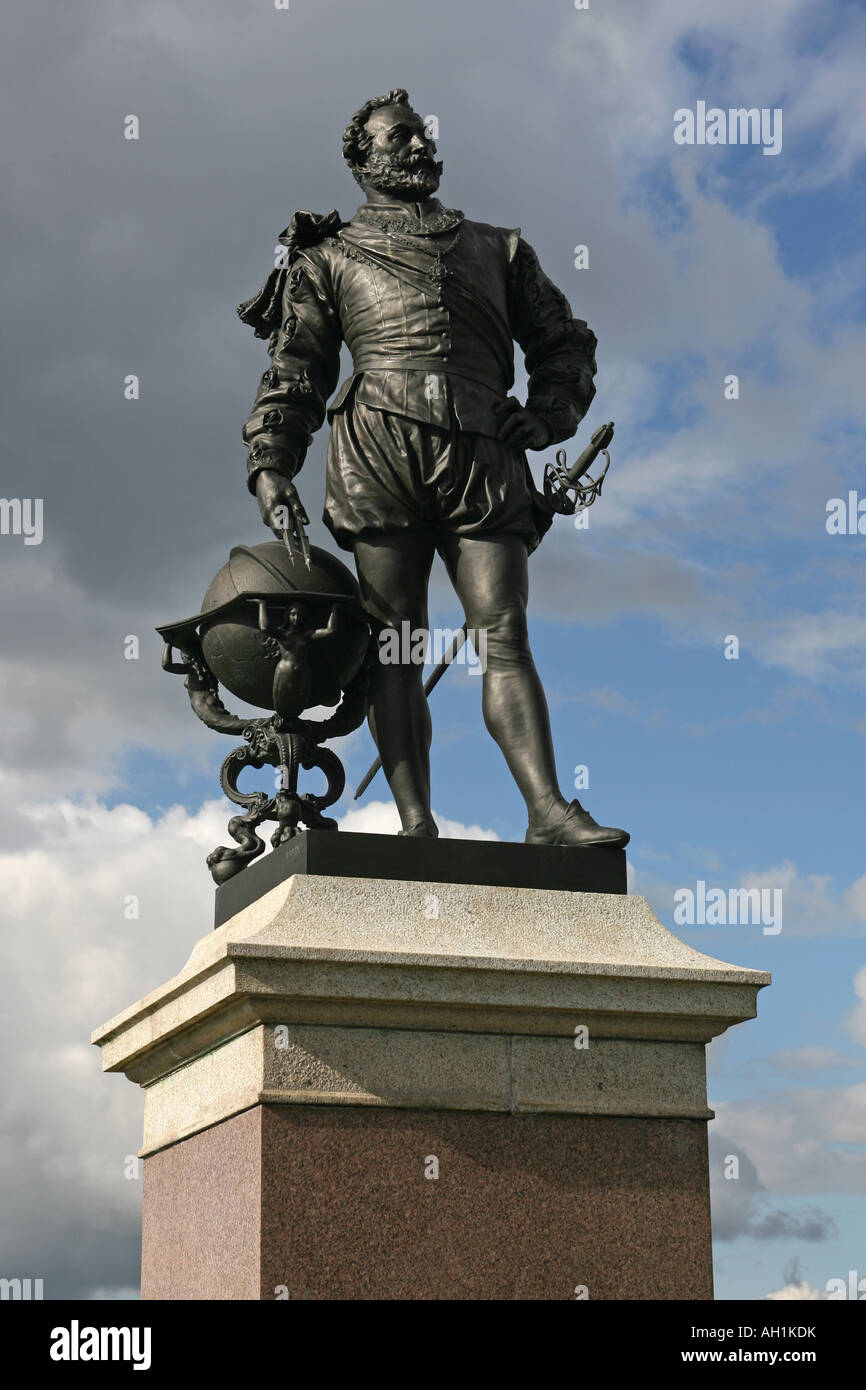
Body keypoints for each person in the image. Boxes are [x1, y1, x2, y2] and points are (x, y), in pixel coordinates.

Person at [238, 89, 628, 848]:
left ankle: (547, 811)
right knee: (397, 642)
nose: (419, 147)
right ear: (363, 160)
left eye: (422, 136)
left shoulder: (499, 247)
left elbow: (564, 345)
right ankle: (416, 825)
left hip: (483, 447)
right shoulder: (328, 257)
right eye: (401, 138)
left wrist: (546, 415)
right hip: (379, 448)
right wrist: (271, 464)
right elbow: (297, 370)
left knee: (503, 632)